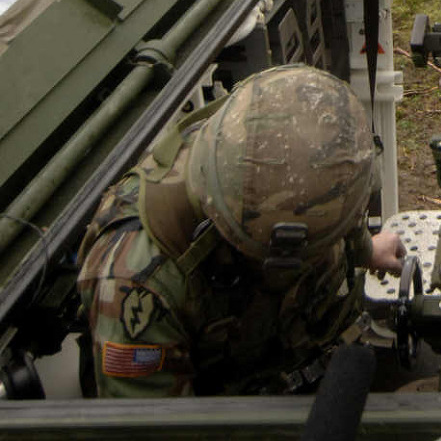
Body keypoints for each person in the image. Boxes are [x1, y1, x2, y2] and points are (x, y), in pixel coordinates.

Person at [78, 65, 405, 397]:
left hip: (297, 353)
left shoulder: (267, 127)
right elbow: (158, 425)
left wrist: (366, 249)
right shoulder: (136, 284)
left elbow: (331, 195)